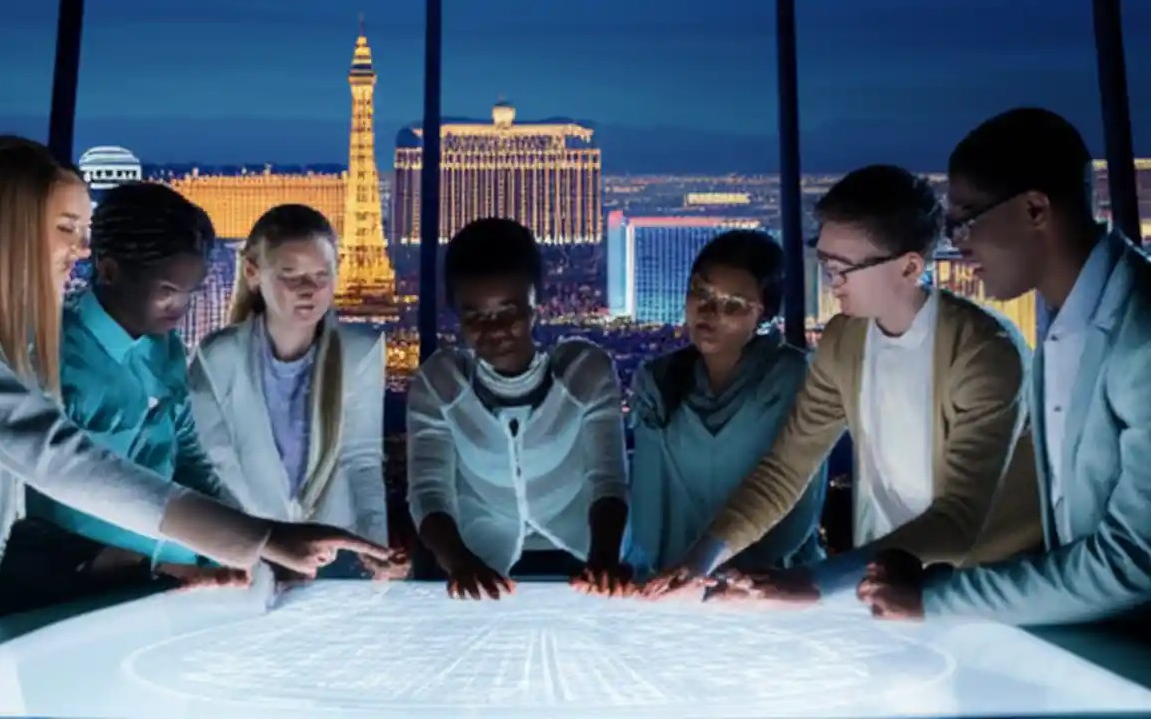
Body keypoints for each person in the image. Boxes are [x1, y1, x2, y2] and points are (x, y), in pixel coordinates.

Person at [0, 136, 388, 653]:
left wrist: (241, 541)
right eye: (66, 230)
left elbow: (179, 455)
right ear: (5, 227)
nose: (80, 250)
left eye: (84, 232)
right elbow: (54, 459)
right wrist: (251, 540)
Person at [644, 164, 1042, 603]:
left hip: (986, 593)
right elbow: (785, 469)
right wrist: (700, 561)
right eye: (825, 262)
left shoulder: (984, 352)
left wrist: (812, 582)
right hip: (886, 589)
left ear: (909, 268)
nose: (832, 281)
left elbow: (958, 518)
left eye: (844, 269)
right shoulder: (843, 341)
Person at [860, 109, 1151, 625]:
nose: (958, 243)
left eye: (966, 219)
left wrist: (936, 599)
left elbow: (1133, 560)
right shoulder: (1060, 317)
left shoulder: (1141, 336)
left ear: (1035, 209)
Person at [0, 182, 242, 616]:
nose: (179, 305)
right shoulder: (49, 353)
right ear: (108, 270)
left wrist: (238, 533)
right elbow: (40, 486)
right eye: (167, 289)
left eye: (190, 292)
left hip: (169, 580)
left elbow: (188, 458)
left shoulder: (166, 350)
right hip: (69, 586)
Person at [407, 217, 631, 600]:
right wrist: (459, 563)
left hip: (582, 554)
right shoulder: (440, 382)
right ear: (456, 312)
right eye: (474, 315)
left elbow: (606, 479)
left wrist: (603, 561)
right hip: (475, 559)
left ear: (536, 305)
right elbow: (429, 491)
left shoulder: (583, 371)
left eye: (509, 312)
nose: (494, 329)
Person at [189, 204, 406, 580]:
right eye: (291, 276)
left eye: (321, 276)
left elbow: (362, 459)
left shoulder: (360, 353)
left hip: (336, 556)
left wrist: (375, 546)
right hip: (246, 556)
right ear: (254, 274)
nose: (309, 290)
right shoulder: (218, 357)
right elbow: (213, 464)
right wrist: (264, 543)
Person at [625, 230, 825, 580]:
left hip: (769, 585)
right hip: (672, 584)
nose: (709, 312)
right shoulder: (657, 381)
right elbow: (648, 507)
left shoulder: (793, 378)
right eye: (700, 293)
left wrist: (734, 575)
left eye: (732, 305)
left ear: (763, 314)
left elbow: (797, 503)